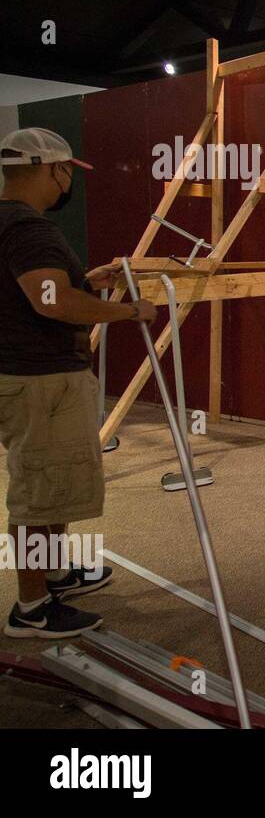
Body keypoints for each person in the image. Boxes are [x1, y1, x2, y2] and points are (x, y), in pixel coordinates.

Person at [1, 128, 158, 639]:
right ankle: (31, 608)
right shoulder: (29, 229)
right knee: (38, 491)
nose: (69, 181)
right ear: (51, 169)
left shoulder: (12, 225)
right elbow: (50, 302)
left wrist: (87, 282)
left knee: (53, 485)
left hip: (27, 375)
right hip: (41, 380)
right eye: (67, 171)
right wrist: (128, 310)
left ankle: (54, 575)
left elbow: (45, 288)